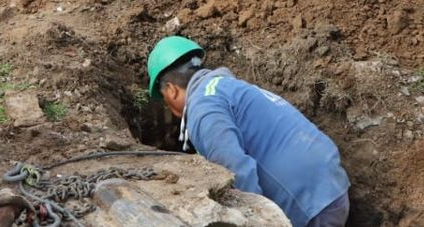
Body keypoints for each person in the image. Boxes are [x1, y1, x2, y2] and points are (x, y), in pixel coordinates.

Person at [146, 37, 350, 227]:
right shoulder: (227, 86)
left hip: (308, 204)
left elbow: (235, 170)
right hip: (330, 186)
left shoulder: (203, 107)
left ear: (171, 90)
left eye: (164, 98)